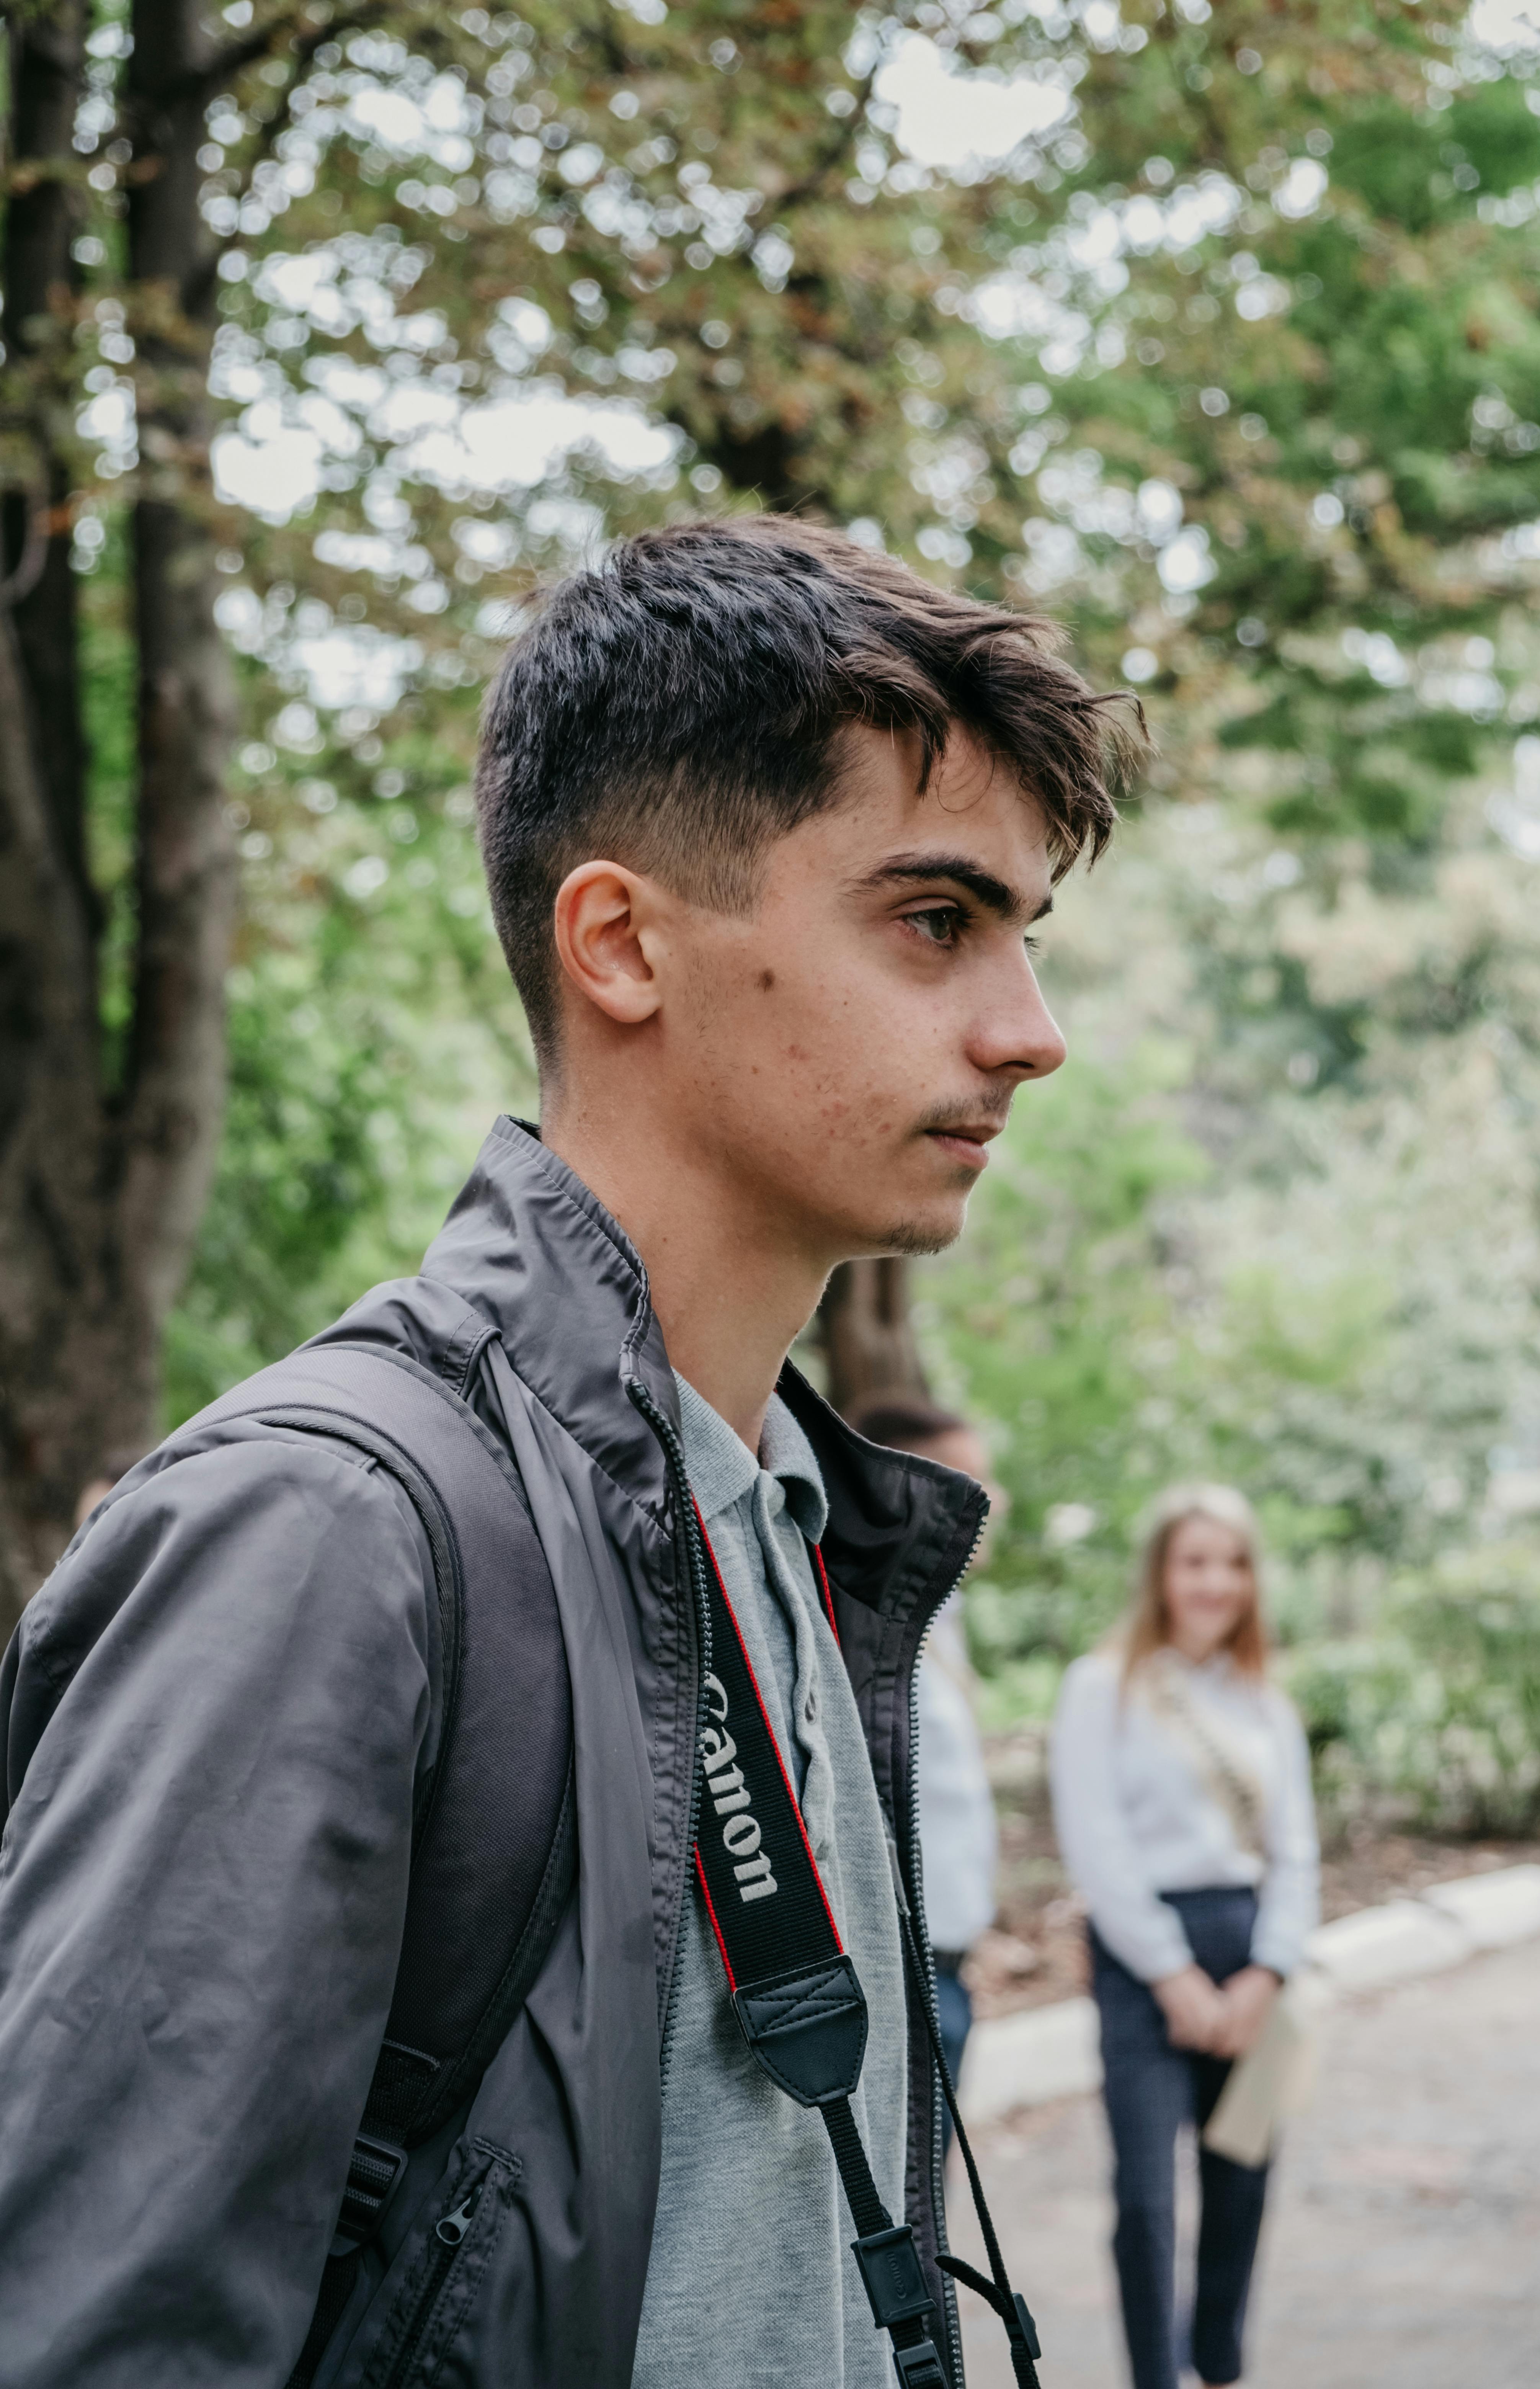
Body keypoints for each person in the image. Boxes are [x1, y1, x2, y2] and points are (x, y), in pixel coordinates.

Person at [0, 516, 1135, 2389]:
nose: (1032, 1031)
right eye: (937, 921)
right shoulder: (328, 1528)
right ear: (620, 942)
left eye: (1021, 934)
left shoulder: (795, 1510)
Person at [1049, 1484, 1319, 2389]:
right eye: (1194, 1561)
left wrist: (1268, 1972)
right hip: (1141, 1960)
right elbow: (1096, 1845)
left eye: (1233, 1564)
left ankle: (1219, 2365)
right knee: (1145, 2200)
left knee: (1243, 2180)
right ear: (1160, 1573)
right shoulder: (1102, 1687)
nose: (1215, 1582)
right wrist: (1172, 1977)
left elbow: (1296, 1852)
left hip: (1251, 1953)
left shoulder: (1264, 1702)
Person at [851, 1398, 1003, 2132]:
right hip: (898, 1974)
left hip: (950, 1964)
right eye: (964, 1480)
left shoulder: (945, 1617)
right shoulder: (861, 1628)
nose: (987, 1503)